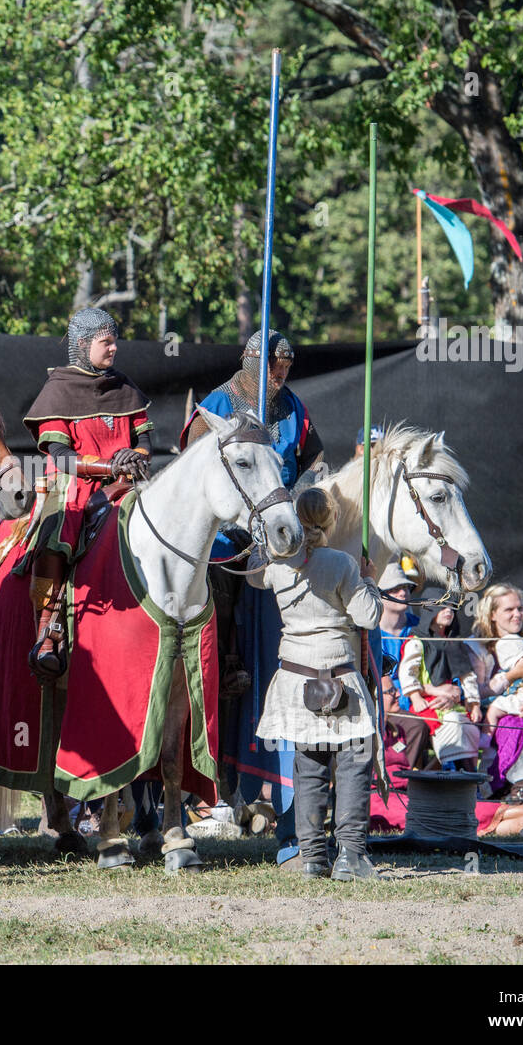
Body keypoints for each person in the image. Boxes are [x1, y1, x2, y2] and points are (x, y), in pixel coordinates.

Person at [181, 328, 325, 870]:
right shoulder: (217, 404)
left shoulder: (294, 409)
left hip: (277, 539)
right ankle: (211, 789)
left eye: (286, 368)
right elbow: (193, 468)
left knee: (278, 652)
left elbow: (311, 461)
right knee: (218, 642)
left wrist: (301, 497)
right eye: (273, 367)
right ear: (250, 363)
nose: (280, 377)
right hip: (224, 541)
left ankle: (270, 787)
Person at [253, 488, 381, 880]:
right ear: (330, 522)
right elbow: (369, 616)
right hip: (339, 675)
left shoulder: (276, 567)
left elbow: (256, 575)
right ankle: (351, 857)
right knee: (354, 764)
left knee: (308, 767)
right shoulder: (342, 563)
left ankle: (312, 858)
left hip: (296, 677)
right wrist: (369, 580)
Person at [19, 307, 151, 679]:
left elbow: (146, 443)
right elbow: (59, 456)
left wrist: (134, 456)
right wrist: (107, 466)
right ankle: (46, 634)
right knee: (56, 534)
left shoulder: (125, 388)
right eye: (105, 342)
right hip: (74, 484)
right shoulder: (58, 390)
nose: (113, 349)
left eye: (115, 341)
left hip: (128, 482)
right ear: (82, 344)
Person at [397, 601, 481, 771]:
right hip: (428, 703)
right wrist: (416, 695)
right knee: (453, 724)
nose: (448, 611)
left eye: (451, 608)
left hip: (452, 702)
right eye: (442, 607)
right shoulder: (417, 640)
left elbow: (467, 674)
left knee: (470, 729)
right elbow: (408, 671)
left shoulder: (453, 642)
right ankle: (449, 770)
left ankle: (467, 777)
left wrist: (474, 703)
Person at [376, 561, 430, 770]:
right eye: (395, 588)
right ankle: (397, 781)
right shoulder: (369, 634)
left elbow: (438, 665)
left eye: (407, 588)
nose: (403, 593)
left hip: (425, 701)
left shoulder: (421, 627)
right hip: (389, 707)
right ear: (380, 594)